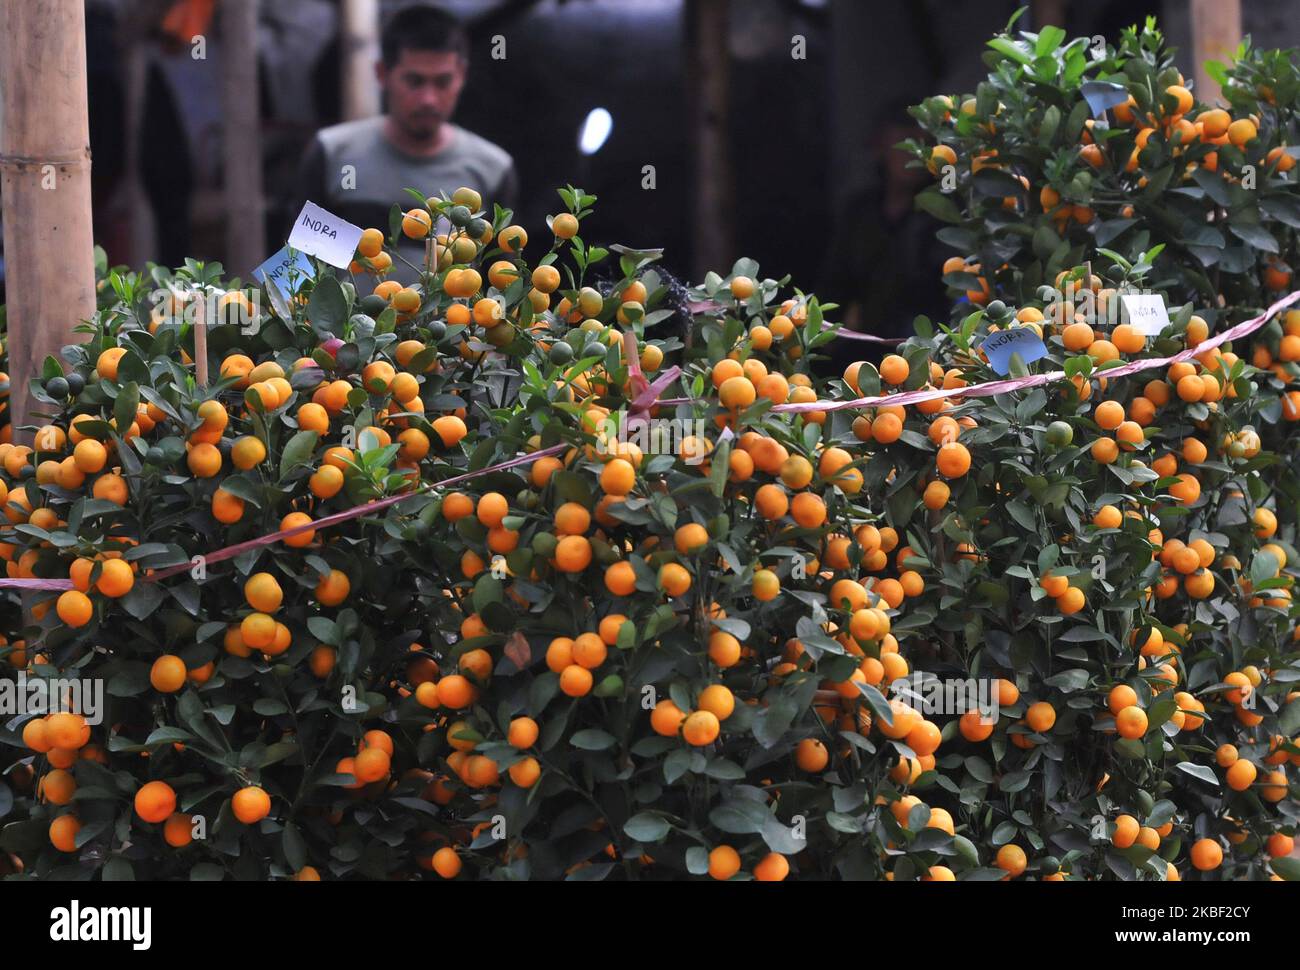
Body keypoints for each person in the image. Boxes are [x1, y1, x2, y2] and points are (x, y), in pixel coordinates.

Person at [293, 3, 518, 279]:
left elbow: (503, 284)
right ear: (382, 74)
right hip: (346, 324)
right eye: (414, 81)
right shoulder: (332, 154)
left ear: (462, 76)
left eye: (442, 82)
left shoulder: (492, 170)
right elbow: (296, 273)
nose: (428, 99)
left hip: (450, 323)